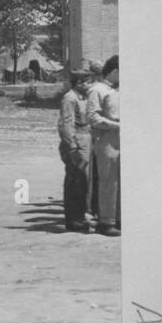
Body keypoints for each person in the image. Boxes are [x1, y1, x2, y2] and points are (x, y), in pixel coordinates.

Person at [58, 64, 96, 232]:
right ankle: (73, 220)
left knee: (82, 182)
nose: (90, 85)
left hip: (84, 140)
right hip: (76, 143)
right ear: (79, 83)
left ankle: (79, 217)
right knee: (75, 182)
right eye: (88, 82)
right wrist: (72, 148)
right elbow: (66, 125)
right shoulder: (70, 98)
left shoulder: (80, 97)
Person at [88, 55, 120, 236]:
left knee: (121, 182)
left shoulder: (118, 90)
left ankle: (118, 219)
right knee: (108, 181)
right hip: (107, 140)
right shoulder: (97, 90)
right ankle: (106, 222)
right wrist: (116, 125)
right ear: (115, 72)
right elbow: (93, 117)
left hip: (122, 139)